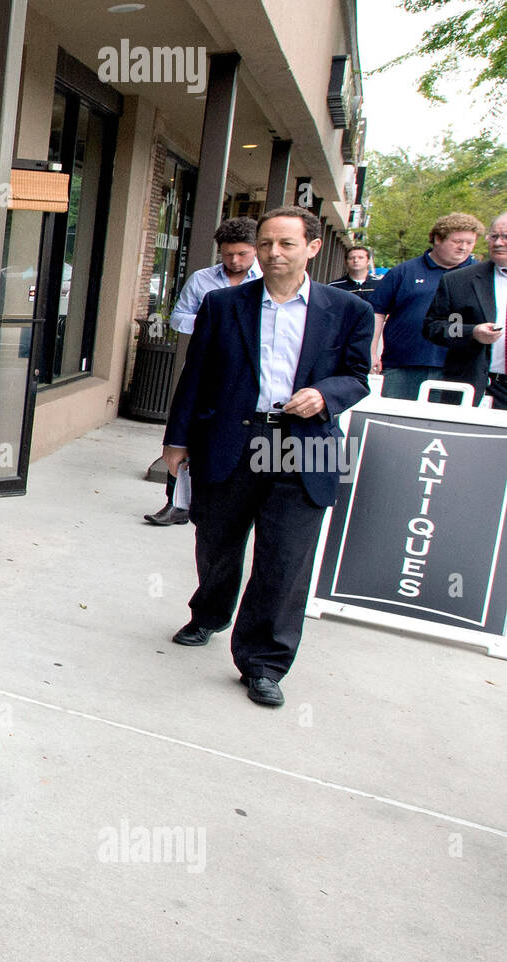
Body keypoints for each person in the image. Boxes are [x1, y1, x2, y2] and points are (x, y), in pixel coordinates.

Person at [161, 205, 372, 707]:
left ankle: (263, 663)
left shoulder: (348, 311)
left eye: (287, 244)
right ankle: (209, 614)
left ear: (313, 249)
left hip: (307, 445)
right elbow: (197, 375)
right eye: (266, 244)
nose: (274, 253)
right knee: (217, 540)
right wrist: (176, 440)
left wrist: (326, 394)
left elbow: (358, 376)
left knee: (286, 559)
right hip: (234, 438)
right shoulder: (223, 304)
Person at [145, 217, 261, 526]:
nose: (233, 261)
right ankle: (176, 504)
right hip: (205, 370)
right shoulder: (202, 279)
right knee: (187, 433)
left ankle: (226, 507)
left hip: (248, 376)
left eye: (241, 254)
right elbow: (178, 318)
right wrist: (213, 323)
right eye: (227, 254)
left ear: (255, 250)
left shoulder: (266, 283)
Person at [368, 212, 482, 399]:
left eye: (470, 243)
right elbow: (377, 312)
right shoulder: (404, 272)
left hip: (457, 371)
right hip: (402, 365)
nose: (463, 248)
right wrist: (371, 352)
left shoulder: (479, 277)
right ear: (437, 238)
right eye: (457, 241)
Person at [421, 210, 507, 408]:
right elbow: (436, 327)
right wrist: (473, 332)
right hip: (475, 387)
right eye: (494, 236)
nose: (498, 243)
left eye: (505, 237)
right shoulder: (460, 281)